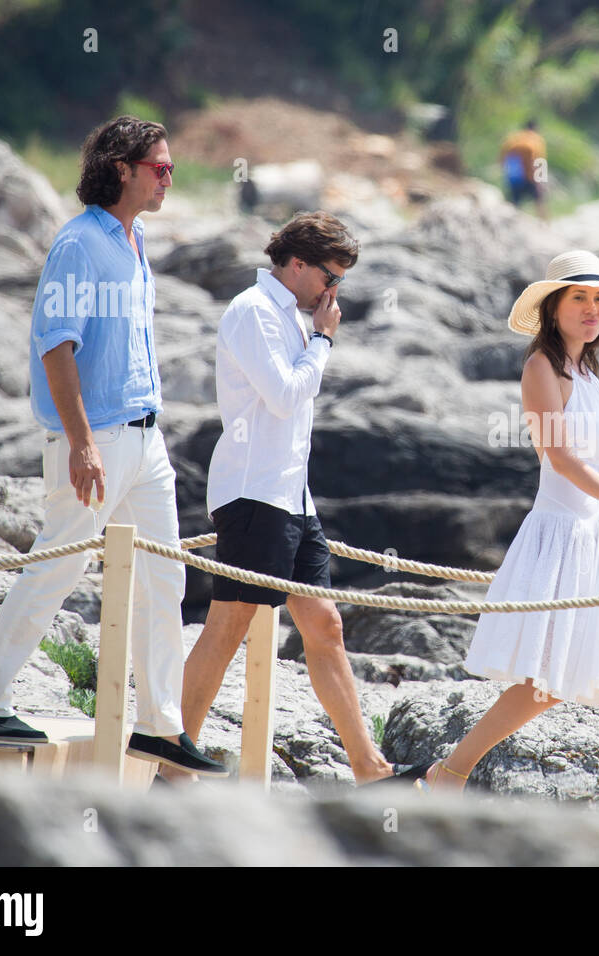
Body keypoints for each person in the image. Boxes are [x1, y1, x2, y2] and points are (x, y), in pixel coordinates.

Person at [0, 116, 227, 777]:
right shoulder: (78, 245)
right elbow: (56, 345)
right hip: (95, 438)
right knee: (59, 565)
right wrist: (80, 443)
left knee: (166, 578)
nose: (168, 178)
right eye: (159, 167)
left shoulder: (134, 245)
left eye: (170, 168)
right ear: (122, 169)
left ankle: (159, 725)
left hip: (145, 437)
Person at [419, 250, 599, 824]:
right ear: (553, 308)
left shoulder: (587, 372)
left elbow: (593, 460)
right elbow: (557, 457)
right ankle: (450, 772)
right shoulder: (542, 367)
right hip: (565, 535)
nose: (591, 309)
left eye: (598, 299)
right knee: (548, 681)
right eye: (579, 298)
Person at [171, 212, 416, 785]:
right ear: (297, 264)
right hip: (255, 494)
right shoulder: (253, 312)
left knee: (324, 625)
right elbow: (283, 395)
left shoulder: (290, 316)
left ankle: (369, 766)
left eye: (342, 283)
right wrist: (325, 342)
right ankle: (171, 764)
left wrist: (317, 337)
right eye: (332, 278)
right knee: (228, 625)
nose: (335, 292)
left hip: (292, 498)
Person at [499, 119, 548, 219]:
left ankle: (512, 223)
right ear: (535, 128)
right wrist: (541, 181)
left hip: (515, 177)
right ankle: (544, 224)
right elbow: (539, 161)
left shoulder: (513, 139)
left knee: (515, 203)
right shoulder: (536, 140)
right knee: (539, 201)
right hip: (530, 177)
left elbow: (502, 159)